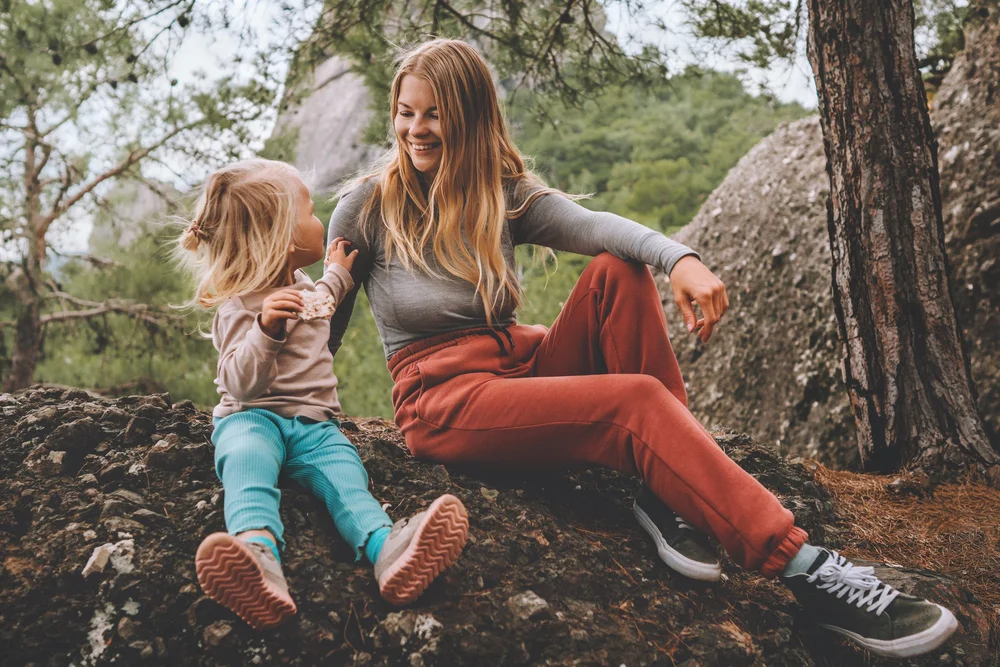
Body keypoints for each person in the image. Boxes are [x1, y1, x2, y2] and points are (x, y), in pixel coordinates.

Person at [325, 39, 959, 658]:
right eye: (406, 112)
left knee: (619, 269)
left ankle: (664, 492)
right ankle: (803, 565)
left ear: (470, 117)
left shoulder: (499, 192)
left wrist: (679, 257)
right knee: (634, 400)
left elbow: (600, 228)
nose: (417, 129)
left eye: (433, 113)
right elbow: (321, 325)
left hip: (516, 364)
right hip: (442, 398)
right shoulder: (367, 208)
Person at [176, 158, 469, 630]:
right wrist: (266, 328)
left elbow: (323, 305)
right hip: (252, 416)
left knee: (345, 479)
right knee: (246, 464)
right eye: (310, 212)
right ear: (283, 237)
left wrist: (337, 272)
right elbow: (238, 381)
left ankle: (386, 548)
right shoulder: (239, 305)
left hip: (315, 423)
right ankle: (257, 558)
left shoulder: (302, 284)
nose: (321, 219)